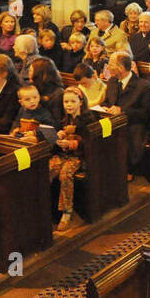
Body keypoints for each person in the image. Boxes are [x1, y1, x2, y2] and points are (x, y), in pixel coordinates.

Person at [50, 87, 99, 231]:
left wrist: (72, 143)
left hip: (79, 157)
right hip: (64, 154)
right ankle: (50, 209)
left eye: (72, 101)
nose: (69, 105)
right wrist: (58, 137)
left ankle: (67, 211)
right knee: (47, 169)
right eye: (66, 102)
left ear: (81, 102)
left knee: (65, 175)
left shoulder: (89, 119)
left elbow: (90, 142)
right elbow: (58, 137)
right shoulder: (64, 118)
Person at [101, 51, 150, 180]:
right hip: (112, 120)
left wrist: (122, 111)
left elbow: (145, 114)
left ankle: (128, 169)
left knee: (130, 135)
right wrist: (103, 106)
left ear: (121, 68)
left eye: (111, 64)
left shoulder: (143, 86)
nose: (108, 67)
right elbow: (108, 101)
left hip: (133, 123)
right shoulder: (112, 81)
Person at [28, 57, 66, 126]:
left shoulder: (57, 94)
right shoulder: (33, 87)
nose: (29, 73)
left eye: (31, 71)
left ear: (39, 73)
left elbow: (56, 123)